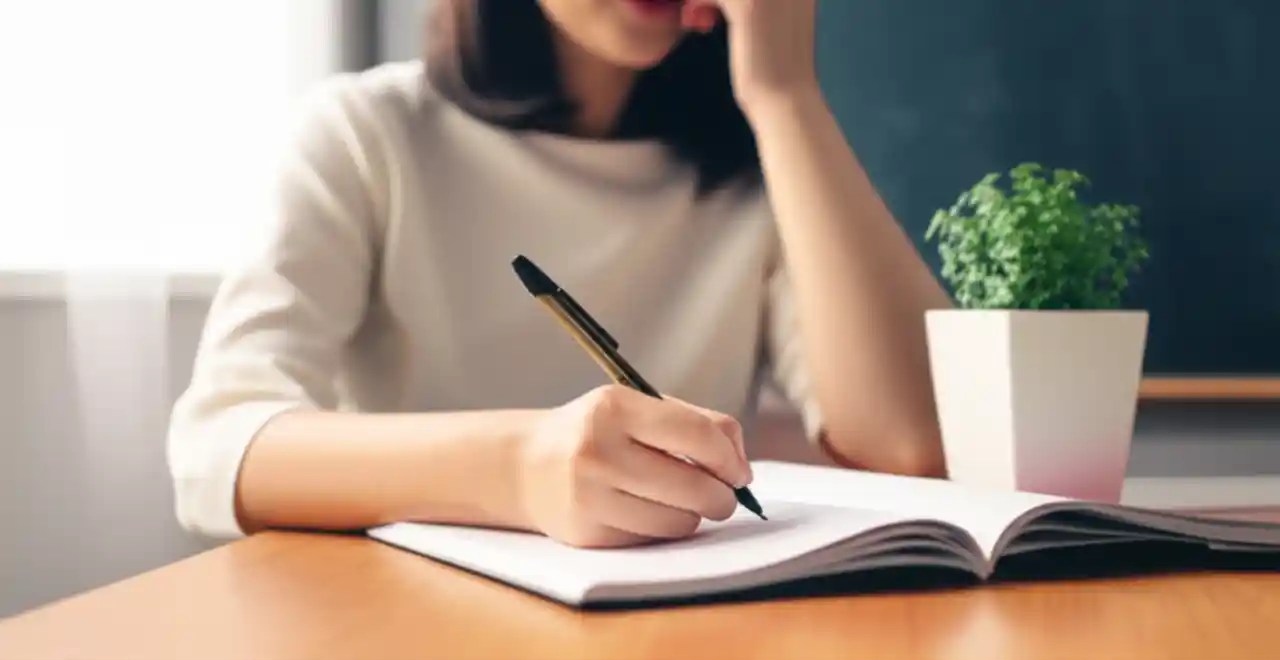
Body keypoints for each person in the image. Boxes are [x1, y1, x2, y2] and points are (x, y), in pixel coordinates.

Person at [167, 0, 953, 549]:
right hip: (399, 650)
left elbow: (917, 443)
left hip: (674, 656)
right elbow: (219, 450)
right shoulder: (367, 135)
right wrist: (518, 468)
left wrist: (785, 94)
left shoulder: (767, 179)